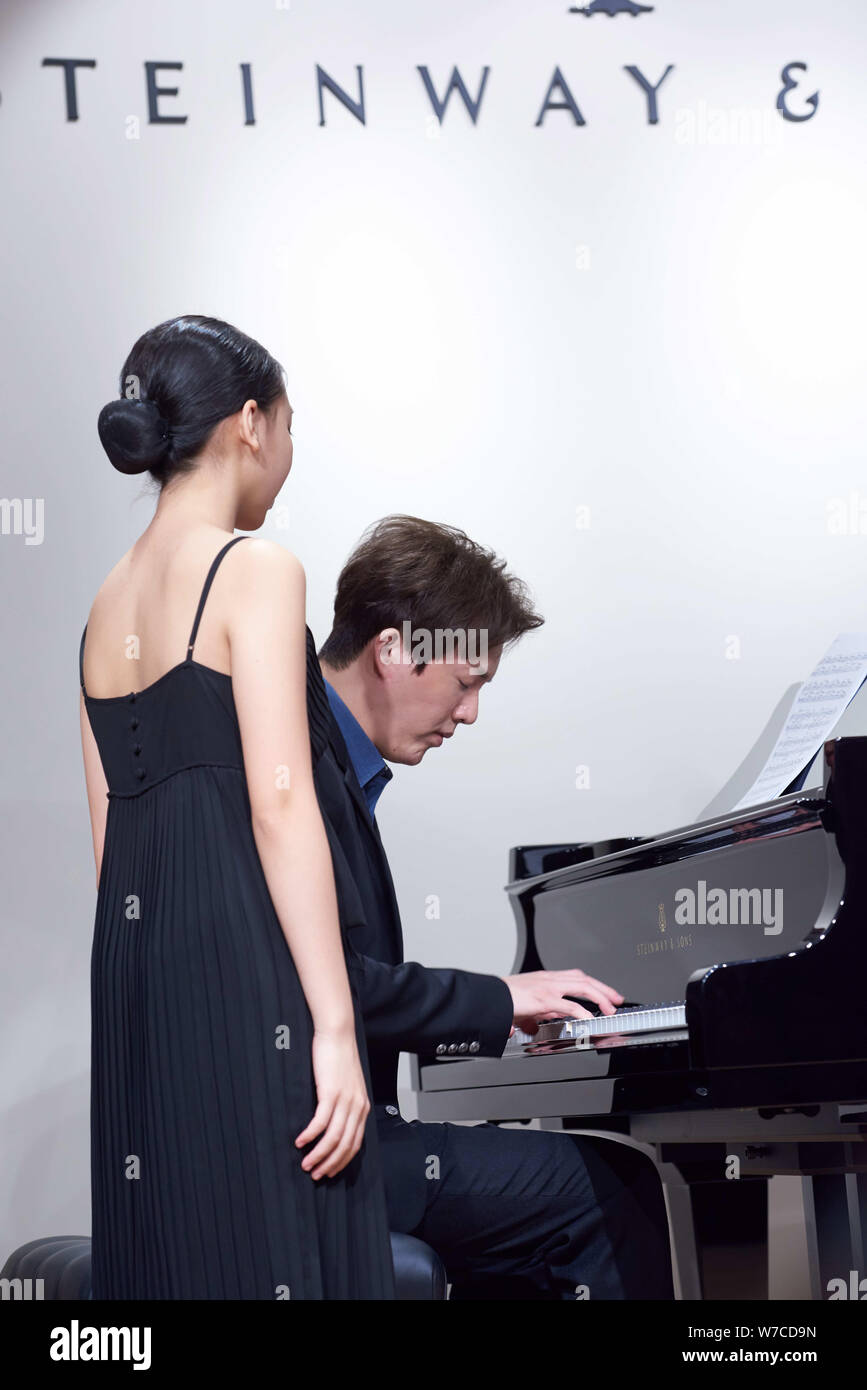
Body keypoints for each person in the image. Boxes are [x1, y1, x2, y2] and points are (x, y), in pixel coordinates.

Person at [79, 314, 395, 1299]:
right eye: (290, 424)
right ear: (251, 423)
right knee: (285, 1245)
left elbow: (111, 843)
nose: (288, 451)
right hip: (248, 975)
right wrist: (336, 1028)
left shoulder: (101, 606)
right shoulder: (254, 569)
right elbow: (282, 801)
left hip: (136, 984)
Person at [306, 514, 675, 1299]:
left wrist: (492, 1012)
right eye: (466, 683)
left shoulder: (320, 750)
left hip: (323, 1133)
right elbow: (319, 981)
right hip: (306, 1148)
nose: (469, 714)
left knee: (537, 1201)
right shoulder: (297, 762)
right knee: (606, 1188)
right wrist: (498, 999)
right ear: (394, 651)